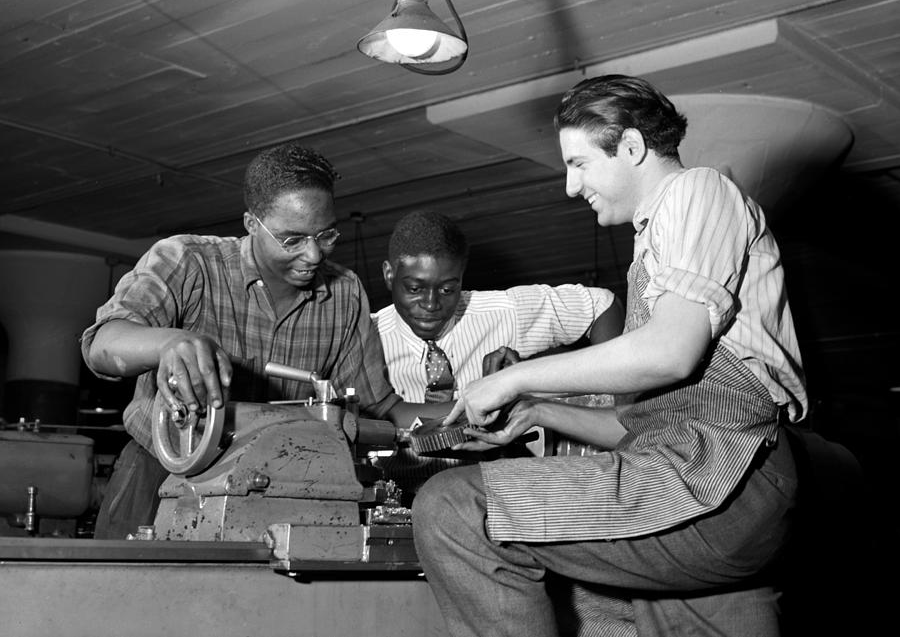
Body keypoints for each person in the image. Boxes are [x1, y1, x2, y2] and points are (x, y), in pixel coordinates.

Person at [412, 74, 806, 637]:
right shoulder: (655, 244)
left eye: (579, 163)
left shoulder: (699, 190)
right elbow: (648, 427)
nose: (571, 187)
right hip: (708, 474)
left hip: (728, 481)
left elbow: (670, 354)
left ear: (631, 148)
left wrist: (510, 378)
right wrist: (537, 409)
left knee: (454, 508)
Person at [81, 142, 426, 539]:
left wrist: (471, 411)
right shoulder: (188, 262)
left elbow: (377, 409)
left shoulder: (344, 292)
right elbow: (102, 345)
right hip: (163, 476)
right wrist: (169, 342)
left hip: (289, 489)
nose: (313, 254)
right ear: (250, 223)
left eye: (326, 235)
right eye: (292, 239)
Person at [372, 209, 624, 494]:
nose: (430, 304)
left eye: (447, 290)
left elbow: (601, 305)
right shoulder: (365, 337)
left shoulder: (502, 312)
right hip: (405, 499)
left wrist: (613, 401)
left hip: (500, 493)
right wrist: (494, 401)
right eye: (415, 288)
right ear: (389, 274)